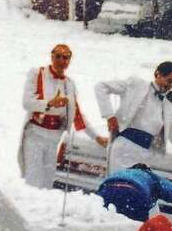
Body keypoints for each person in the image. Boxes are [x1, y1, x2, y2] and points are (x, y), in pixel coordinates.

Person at [95, 62, 172, 174]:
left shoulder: (167, 105)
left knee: (137, 191)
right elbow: (100, 87)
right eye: (169, 81)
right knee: (119, 187)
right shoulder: (136, 84)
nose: (170, 86)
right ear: (157, 74)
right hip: (124, 149)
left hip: (145, 156)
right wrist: (109, 116)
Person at [18, 44, 106, 189]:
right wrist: (49, 103)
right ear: (51, 56)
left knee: (48, 180)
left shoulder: (69, 84)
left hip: (54, 138)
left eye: (65, 58)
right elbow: (27, 102)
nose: (61, 61)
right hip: (35, 134)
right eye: (58, 56)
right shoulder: (37, 74)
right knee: (33, 179)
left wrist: (96, 137)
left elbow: (77, 115)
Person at [97, 164, 172, 231]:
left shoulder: (122, 172)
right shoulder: (154, 178)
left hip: (106, 189)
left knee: (105, 229)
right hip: (134, 191)